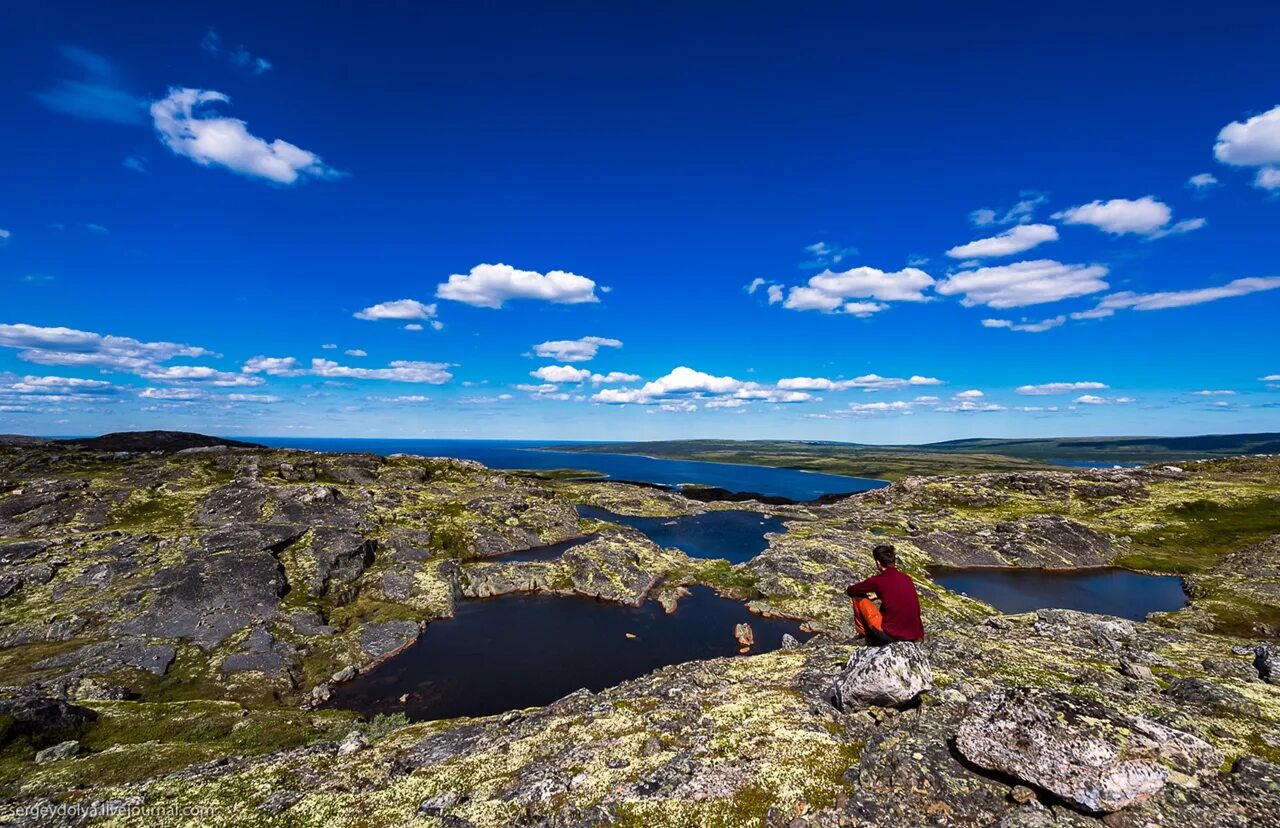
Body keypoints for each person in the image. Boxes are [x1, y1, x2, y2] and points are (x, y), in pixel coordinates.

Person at [845, 544, 924, 646]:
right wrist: (878, 594)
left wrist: (868, 594)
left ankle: (865, 636)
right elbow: (895, 591)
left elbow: (852, 590)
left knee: (857, 598)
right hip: (914, 634)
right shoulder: (906, 578)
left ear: (878, 563)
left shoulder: (878, 581)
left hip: (891, 635)